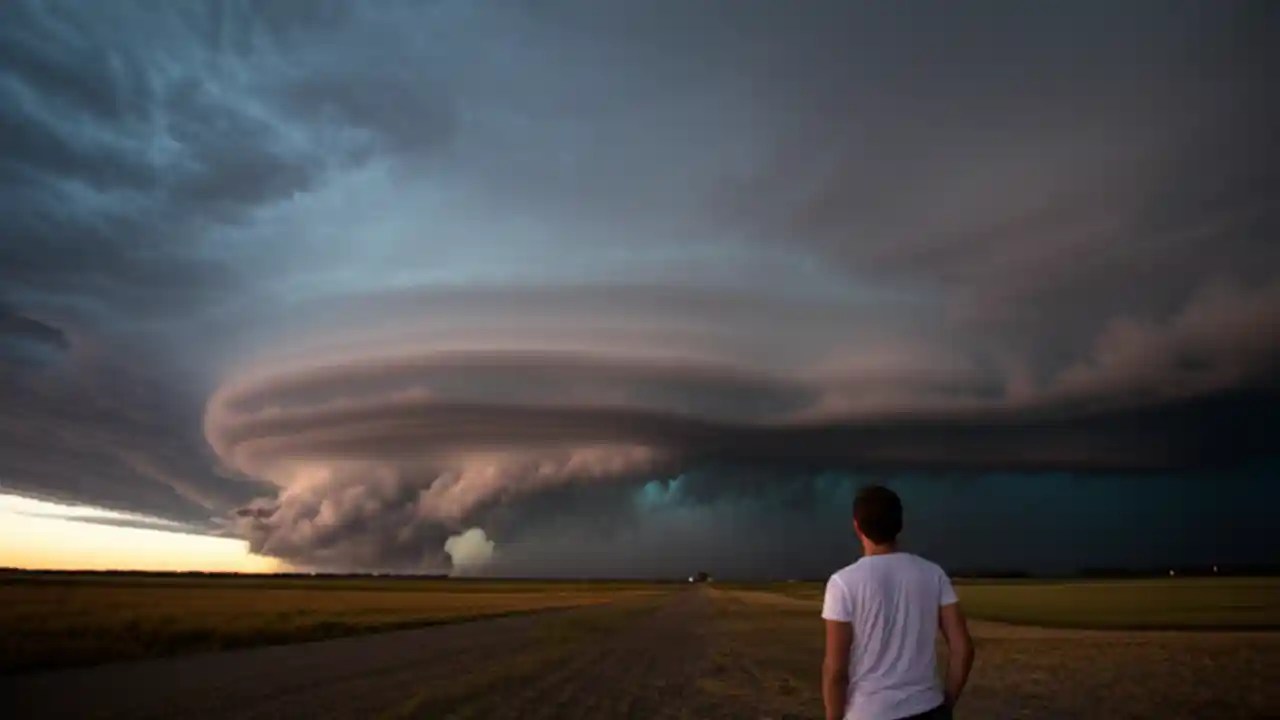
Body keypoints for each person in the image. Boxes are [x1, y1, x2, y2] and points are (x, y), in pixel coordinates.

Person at [821, 485, 975, 720]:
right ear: (900, 524)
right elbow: (962, 648)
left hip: (868, 713)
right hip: (928, 708)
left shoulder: (842, 583)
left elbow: (835, 669)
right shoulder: (933, 574)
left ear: (857, 526)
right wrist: (947, 704)